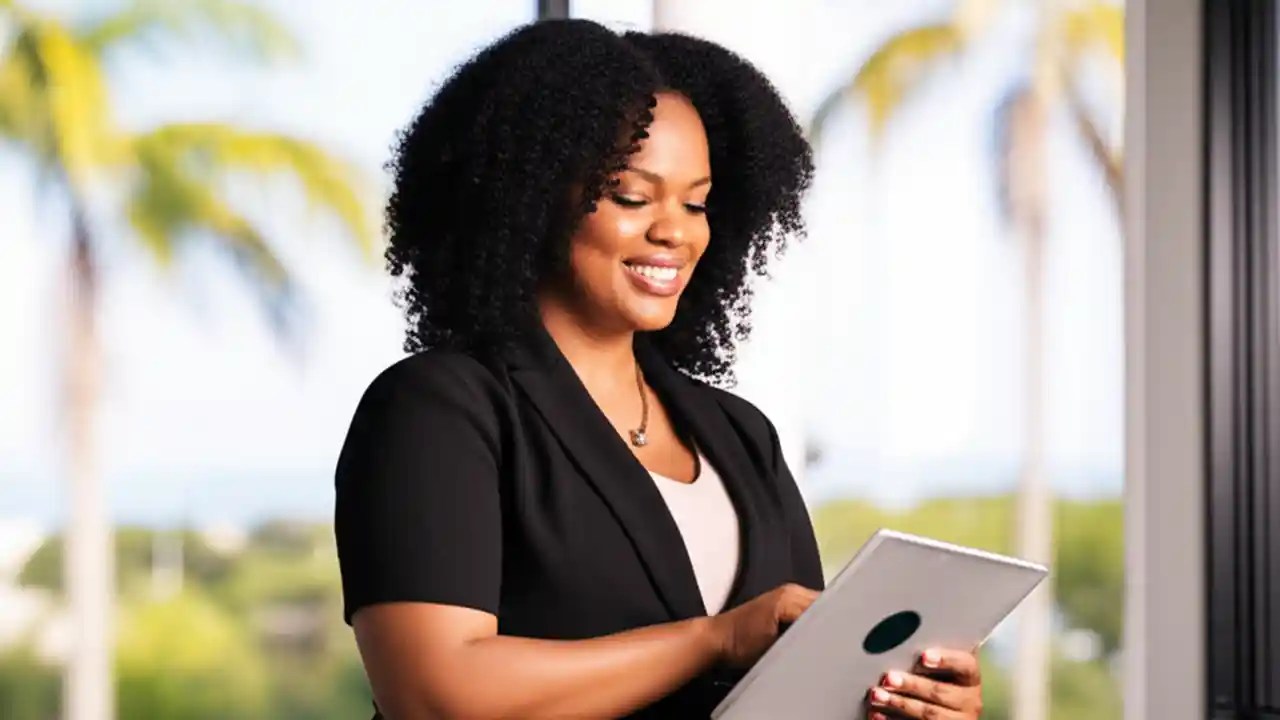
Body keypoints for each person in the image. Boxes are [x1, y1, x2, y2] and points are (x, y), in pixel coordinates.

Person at [334, 18, 984, 720]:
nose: (675, 230)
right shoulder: (437, 410)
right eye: (632, 197)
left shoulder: (738, 436)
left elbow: (796, 693)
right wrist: (713, 639)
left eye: (697, 202)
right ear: (528, 196)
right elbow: (434, 691)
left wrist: (899, 701)